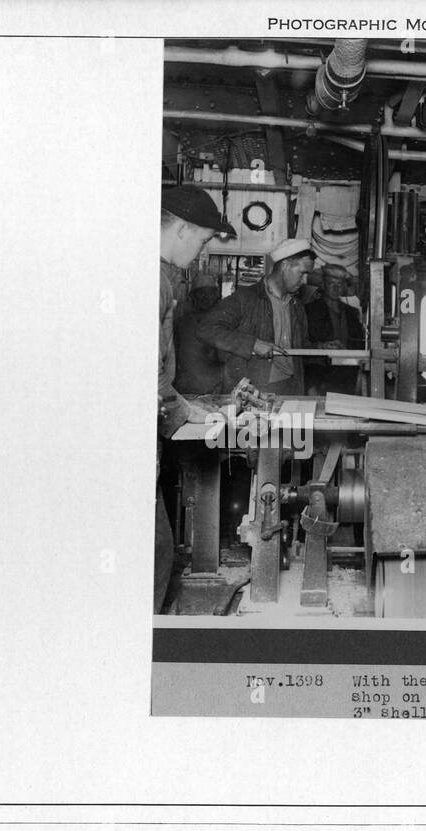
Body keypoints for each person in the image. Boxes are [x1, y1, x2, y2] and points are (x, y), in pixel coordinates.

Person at [156, 185, 234, 614]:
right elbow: (148, 375)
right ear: (182, 228)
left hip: (154, 424)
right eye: (203, 240)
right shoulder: (154, 280)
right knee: (155, 552)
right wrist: (184, 414)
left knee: (159, 548)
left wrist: (184, 408)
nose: (202, 251)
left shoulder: (161, 276)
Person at [197, 237, 314, 395]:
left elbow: (301, 347)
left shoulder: (297, 305)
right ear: (285, 266)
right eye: (302, 273)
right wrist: (253, 344)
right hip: (255, 390)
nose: (305, 280)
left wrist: (322, 347)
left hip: (291, 387)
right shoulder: (245, 298)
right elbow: (206, 328)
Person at [304, 263, 365, 395]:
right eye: (331, 283)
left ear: (344, 287)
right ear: (323, 285)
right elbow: (303, 345)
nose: (336, 287)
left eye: (340, 284)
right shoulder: (309, 311)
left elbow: (359, 345)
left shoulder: (352, 313)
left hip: (347, 378)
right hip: (319, 378)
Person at [173, 272, 226, 396]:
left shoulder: (182, 320)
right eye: (201, 293)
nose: (205, 297)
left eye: (209, 293)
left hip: (192, 388)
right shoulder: (183, 322)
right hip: (199, 389)